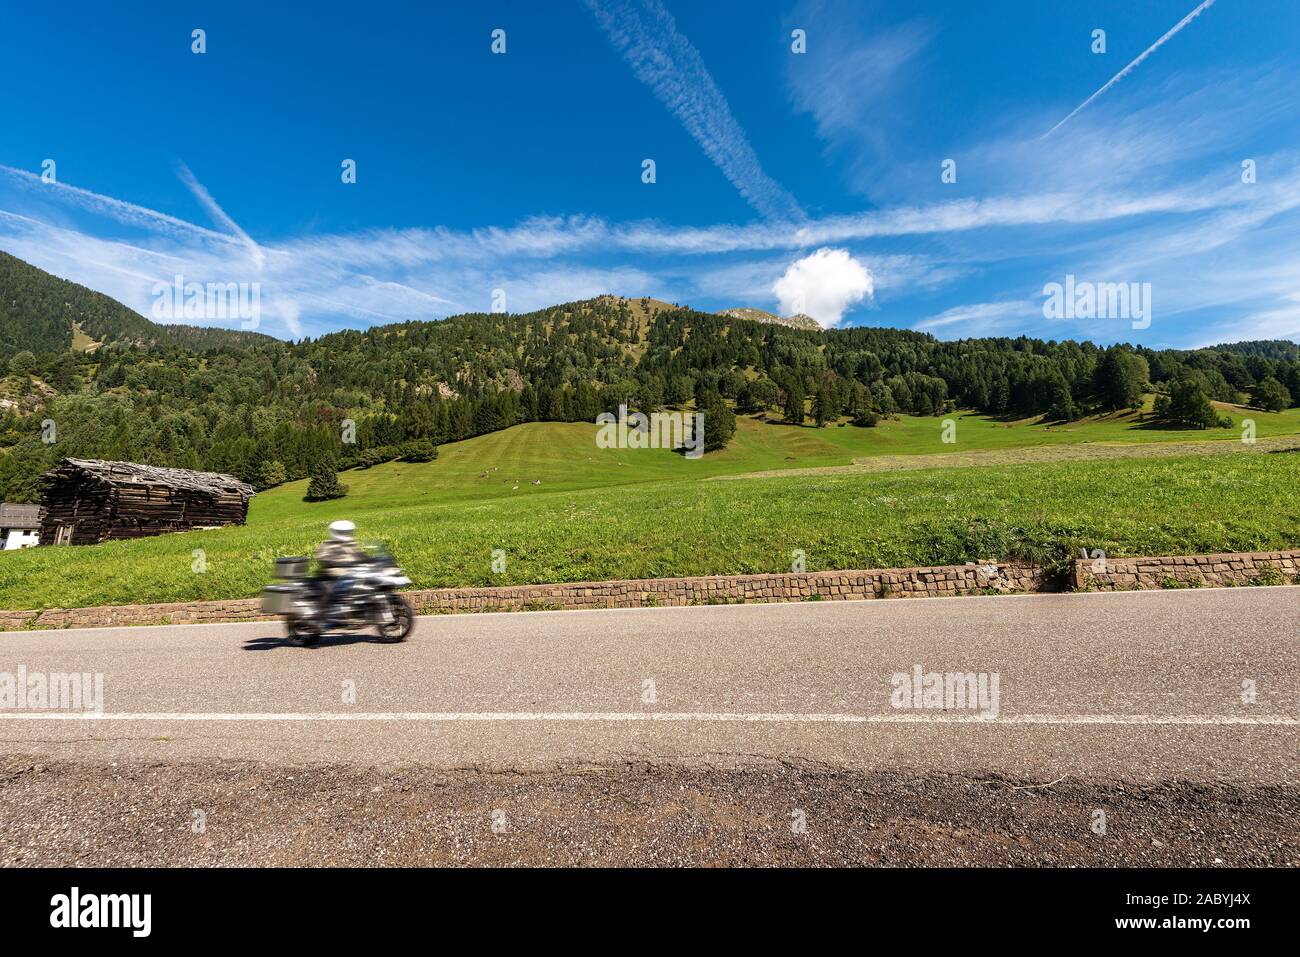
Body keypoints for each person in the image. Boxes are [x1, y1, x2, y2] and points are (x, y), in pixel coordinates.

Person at [314, 520, 367, 614]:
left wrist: (372, 560)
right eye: (343, 532)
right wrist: (337, 562)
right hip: (331, 576)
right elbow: (322, 557)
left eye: (348, 531)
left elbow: (361, 555)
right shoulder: (328, 545)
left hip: (350, 574)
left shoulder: (350, 545)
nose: (346, 534)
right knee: (332, 590)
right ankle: (324, 615)